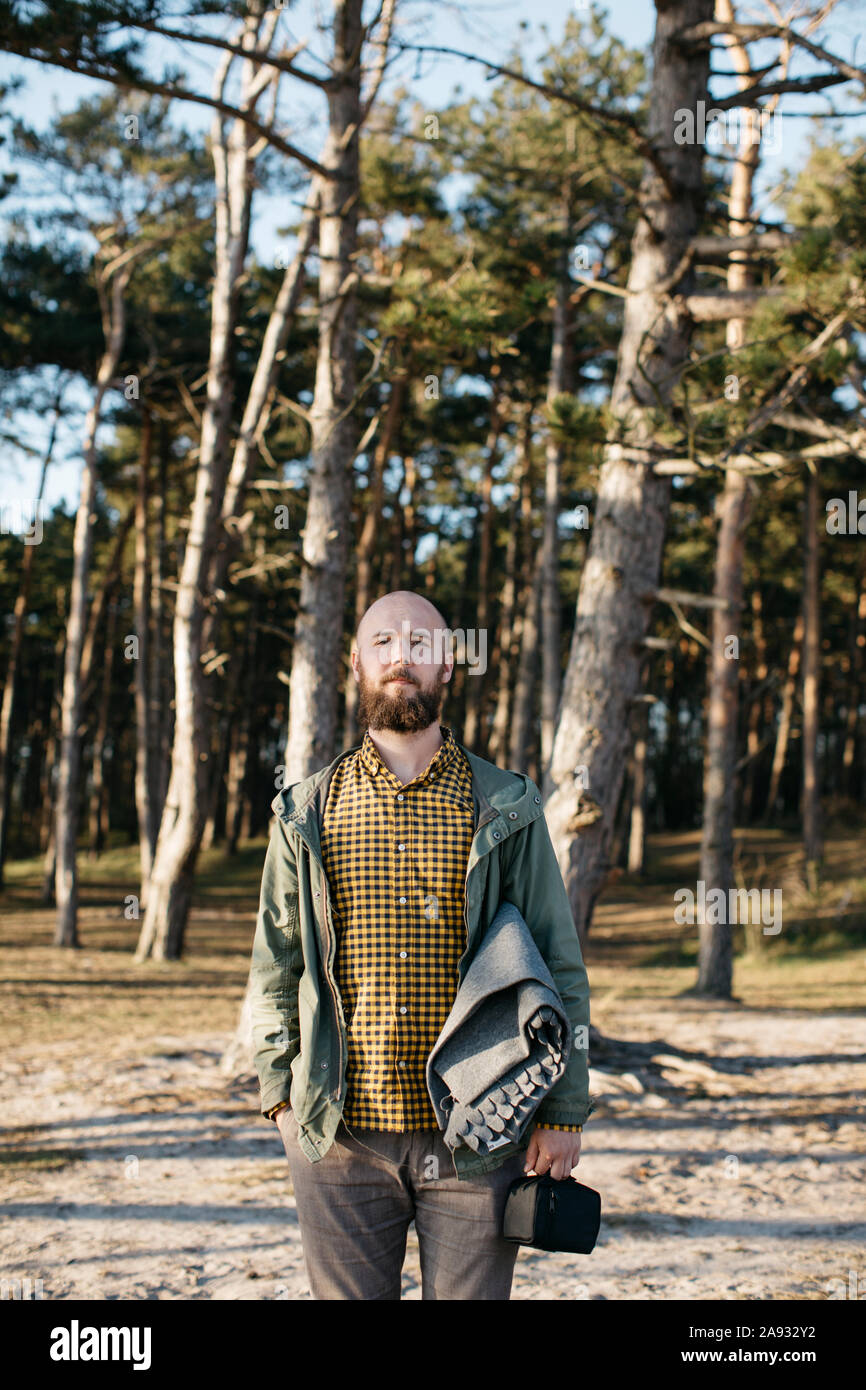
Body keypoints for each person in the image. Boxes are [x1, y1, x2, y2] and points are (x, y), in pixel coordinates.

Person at [249, 589, 592, 1300]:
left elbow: (560, 961)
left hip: (480, 1133)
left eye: (422, 643)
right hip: (340, 1140)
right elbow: (275, 966)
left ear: (449, 668)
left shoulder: (507, 806)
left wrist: (562, 1109)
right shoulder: (304, 813)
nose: (402, 655)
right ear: (355, 664)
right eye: (383, 642)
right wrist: (282, 1098)